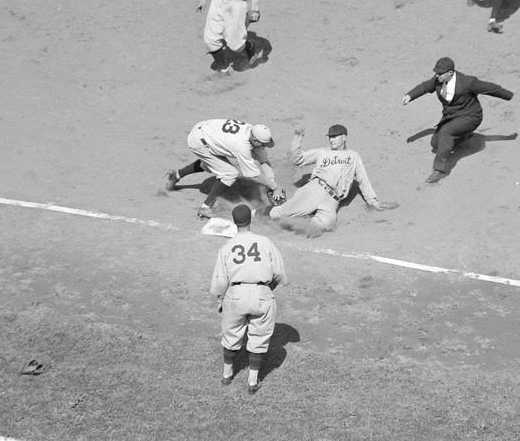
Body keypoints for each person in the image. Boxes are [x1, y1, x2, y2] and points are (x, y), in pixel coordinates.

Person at [258, 124, 397, 234]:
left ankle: (301, 217)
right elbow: (297, 159)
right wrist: (297, 138)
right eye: (330, 137)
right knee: (281, 213)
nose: (331, 139)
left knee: (325, 225)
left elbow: (362, 179)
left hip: (333, 200)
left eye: (335, 136)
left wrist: (372, 201)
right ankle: (251, 216)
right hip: (316, 189)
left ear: (344, 137)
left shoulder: (354, 156)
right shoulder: (322, 152)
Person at [210, 204, 288, 394]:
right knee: (259, 337)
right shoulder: (265, 242)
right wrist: (269, 288)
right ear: (250, 221)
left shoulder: (227, 247)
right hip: (262, 294)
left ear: (234, 222)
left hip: (235, 295)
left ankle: (227, 375)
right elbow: (279, 273)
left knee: (232, 334)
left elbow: (220, 281)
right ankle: (252, 381)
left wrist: (221, 300)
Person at [402, 57, 514, 184]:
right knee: (435, 144)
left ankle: (441, 169)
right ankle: (463, 135)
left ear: (450, 72)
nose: (436, 75)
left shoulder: (467, 82)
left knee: (446, 132)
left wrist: (510, 95)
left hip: (471, 116)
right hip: (452, 116)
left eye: (440, 73)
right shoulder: (438, 80)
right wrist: (409, 96)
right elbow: (425, 86)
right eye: (436, 72)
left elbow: (490, 88)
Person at [166, 119, 285, 219]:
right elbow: (252, 175)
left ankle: (176, 175)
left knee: (209, 165)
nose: (264, 147)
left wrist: (272, 183)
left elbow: (264, 160)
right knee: (229, 174)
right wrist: (275, 187)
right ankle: (205, 208)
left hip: (209, 132)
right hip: (199, 141)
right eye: (262, 145)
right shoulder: (242, 145)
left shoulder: (252, 133)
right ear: (255, 140)